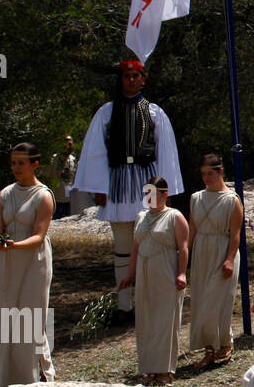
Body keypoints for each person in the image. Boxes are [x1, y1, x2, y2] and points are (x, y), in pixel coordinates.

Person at [74, 60, 183, 320]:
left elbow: (165, 152)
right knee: (123, 244)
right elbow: (96, 152)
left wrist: (163, 189)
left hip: (146, 179)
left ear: (143, 79)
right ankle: (125, 306)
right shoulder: (106, 112)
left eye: (136, 76)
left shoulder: (156, 112)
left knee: (152, 240)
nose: (131, 80)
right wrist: (100, 187)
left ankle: (152, 301)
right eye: (127, 76)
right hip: (118, 182)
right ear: (120, 79)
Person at [0, 142, 56, 385]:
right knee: (9, 314)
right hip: (9, 260)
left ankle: (39, 376)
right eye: (13, 163)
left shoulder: (43, 196)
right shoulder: (4, 194)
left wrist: (14, 245)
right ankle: (10, 379)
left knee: (31, 315)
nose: (16, 168)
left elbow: (39, 236)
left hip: (34, 261)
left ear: (34, 164)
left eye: (21, 163)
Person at [120, 177, 189, 385]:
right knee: (146, 319)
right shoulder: (141, 217)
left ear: (164, 194)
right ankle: (148, 367)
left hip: (165, 270)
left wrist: (181, 273)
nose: (148, 198)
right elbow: (135, 248)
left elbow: (183, 247)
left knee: (165, 320)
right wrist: (130, 275)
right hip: (144, 272)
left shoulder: (174, 216)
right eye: (146, 194)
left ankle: (164, 370)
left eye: (152, 194)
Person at [187, 153, 243, 366]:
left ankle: (225, 344)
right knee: (202, 300)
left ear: (220, 172)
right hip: (202, 251)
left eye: (210, 173)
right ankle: (209, 350)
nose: (206, 178)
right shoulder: (196, 198)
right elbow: (192, 230)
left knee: (218, 301)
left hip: (223, 250)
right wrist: (183, 256)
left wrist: (229, 260)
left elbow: (236, 234)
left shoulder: (232, 200)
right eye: (203, 174)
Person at [47, 135, 76, 220]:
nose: (68, 144)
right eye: (65, 141)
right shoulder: (53, 159)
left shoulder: (73, 160)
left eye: (70, 142)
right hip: (55, 201)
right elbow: (46, 178)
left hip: (70, 202)